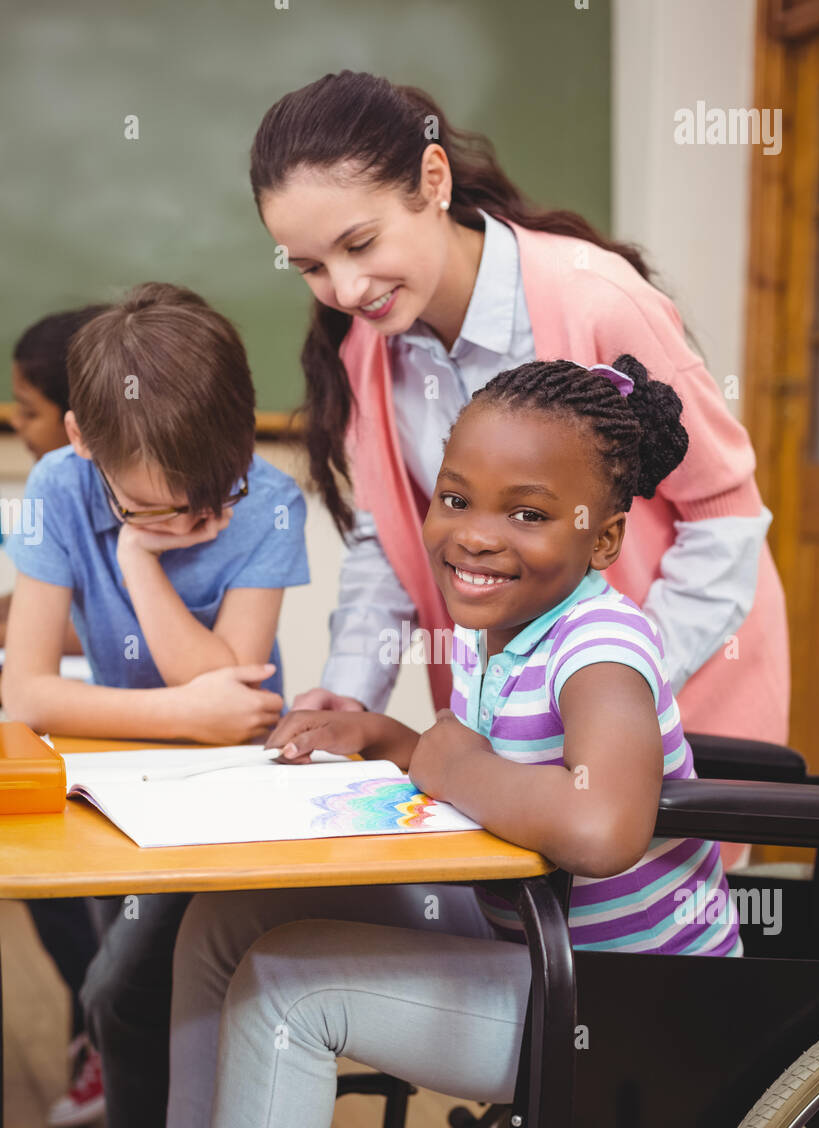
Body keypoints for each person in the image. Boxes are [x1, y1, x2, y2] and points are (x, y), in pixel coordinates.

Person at [65, 354, 742, 1128]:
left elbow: (601, 827)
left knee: (286, 991)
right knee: (217, 927)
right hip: (526, 934)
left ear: (603, 539)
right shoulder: (505, 630)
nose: (476, 536)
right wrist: (389, 737)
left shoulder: (603, 650)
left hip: (611, 1000)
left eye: (529, 513)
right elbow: (476, 762)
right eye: (456, 498)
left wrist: (441, 757)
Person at [249, 71, 789, 831]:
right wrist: (350, 692)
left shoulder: (596, 299)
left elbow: (724, 513)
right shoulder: (368, 354)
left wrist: (606, 691)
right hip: (510, 734)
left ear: (432, 180)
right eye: (309, 267)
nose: (343, 288)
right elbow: (386, 543)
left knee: (647, 926)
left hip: (672, 689)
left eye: (360, 243)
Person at [3, 281, 309, 1128]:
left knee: (131, 990)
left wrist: (135, 562)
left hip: (236, 799)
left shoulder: (267, 499)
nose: (181, 514)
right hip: (129, 791)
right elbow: (30, 694)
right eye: (147, 505)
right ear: (85, 437)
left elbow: (236, 690)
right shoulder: (57, 483)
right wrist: (185, 712)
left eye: (200, 497)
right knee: (133, 994)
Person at [7, 306, 111, 1128]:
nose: (16, 422)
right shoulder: (53, 494)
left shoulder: (108, 495)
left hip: (104, 734)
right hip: (59, 716)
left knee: (85, 895)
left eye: (28, 408)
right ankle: (99, 1030)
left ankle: (103, 1031)